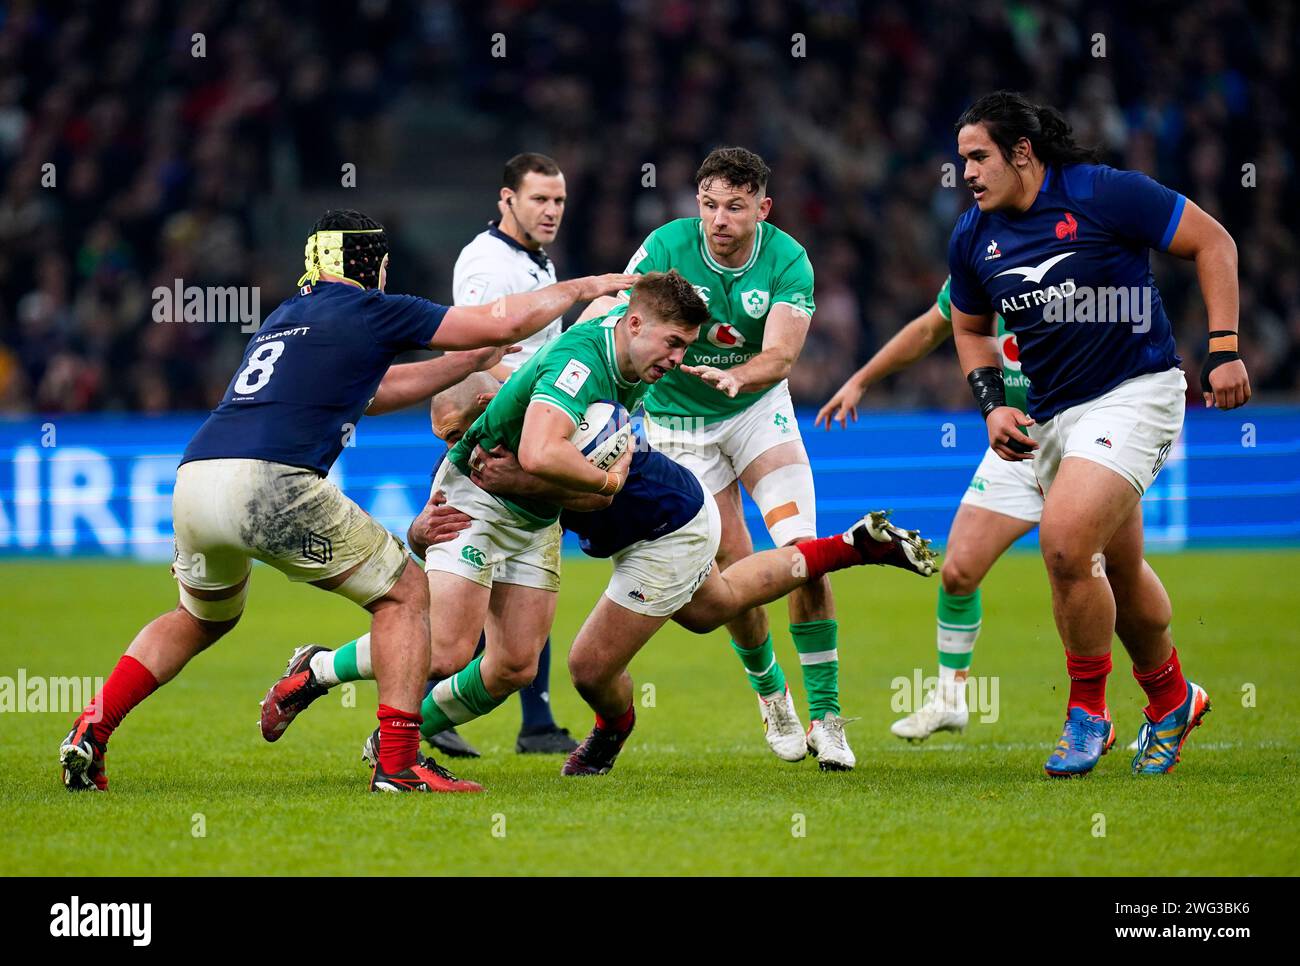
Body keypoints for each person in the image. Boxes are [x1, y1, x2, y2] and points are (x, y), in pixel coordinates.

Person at [60, 208, 632, 794]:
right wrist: (585, 287)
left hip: (197, 476)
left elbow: (375, 393)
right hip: (272, 481)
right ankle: (399, 761)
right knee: (407, 595)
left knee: (198, 617)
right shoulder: (370, 308)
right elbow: (500, 321)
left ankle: (92, 728)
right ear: (373, 265)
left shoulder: (288, 317)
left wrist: (460, 365)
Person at [415, 374, 937, 777]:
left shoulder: (552, 421)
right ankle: (851, 546)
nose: (454, 448)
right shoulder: (511, 426)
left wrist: (526, 482)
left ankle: (610, 732)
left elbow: (600, 492)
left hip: (663, 529)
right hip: (660, 518)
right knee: (715, 605)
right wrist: (425, 531)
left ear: (484, 409)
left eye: (456, 434)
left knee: (589, 667)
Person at [946, 91, 1250, 776]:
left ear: (1022, 152)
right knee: (1116, 567)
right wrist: (993, 404)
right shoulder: (973, 237)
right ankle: (1172, 698)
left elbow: (1213, 241)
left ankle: (1088, 713)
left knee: (1063, 542)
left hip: (1137, 392)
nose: (965, 172)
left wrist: (1224, 346)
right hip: (1053, 418)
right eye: (961, 159)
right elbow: (969, 330)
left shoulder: (1103, 193)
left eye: (977, 156)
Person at [584, 147, 854, 770]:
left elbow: (782, 355)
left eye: (735, 207)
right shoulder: (665, 247)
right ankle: (771, 695)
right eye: (709, 205)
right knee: (731, 576)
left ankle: (830, 717)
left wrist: (742, 379)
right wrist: (578, 349)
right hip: (679, 426)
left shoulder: (788, 260)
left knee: (801, 554)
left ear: (763, 207)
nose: (719, 220)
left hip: (758, 410)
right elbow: (612, 313)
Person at [817, 278, 1037, 741]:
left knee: (1099, 569)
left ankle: (1152, 697)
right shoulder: (980, 256)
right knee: (958, 571)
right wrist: (861, 379)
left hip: (1083, 437)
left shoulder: (1072, 246)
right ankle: (950, 699)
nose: (976, 201)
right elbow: (927, 331)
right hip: (1017, 445)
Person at [440, 151, 578, 755]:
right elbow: (478, 343)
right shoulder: (487, 263)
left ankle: (537, 721)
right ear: (507, 200)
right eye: (539, 200)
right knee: (474, 592)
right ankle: (419, 703)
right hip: (498, 439)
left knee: (524, 575)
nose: (551, 211)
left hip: (529, 437)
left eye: (558, 201)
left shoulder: (533, 263)